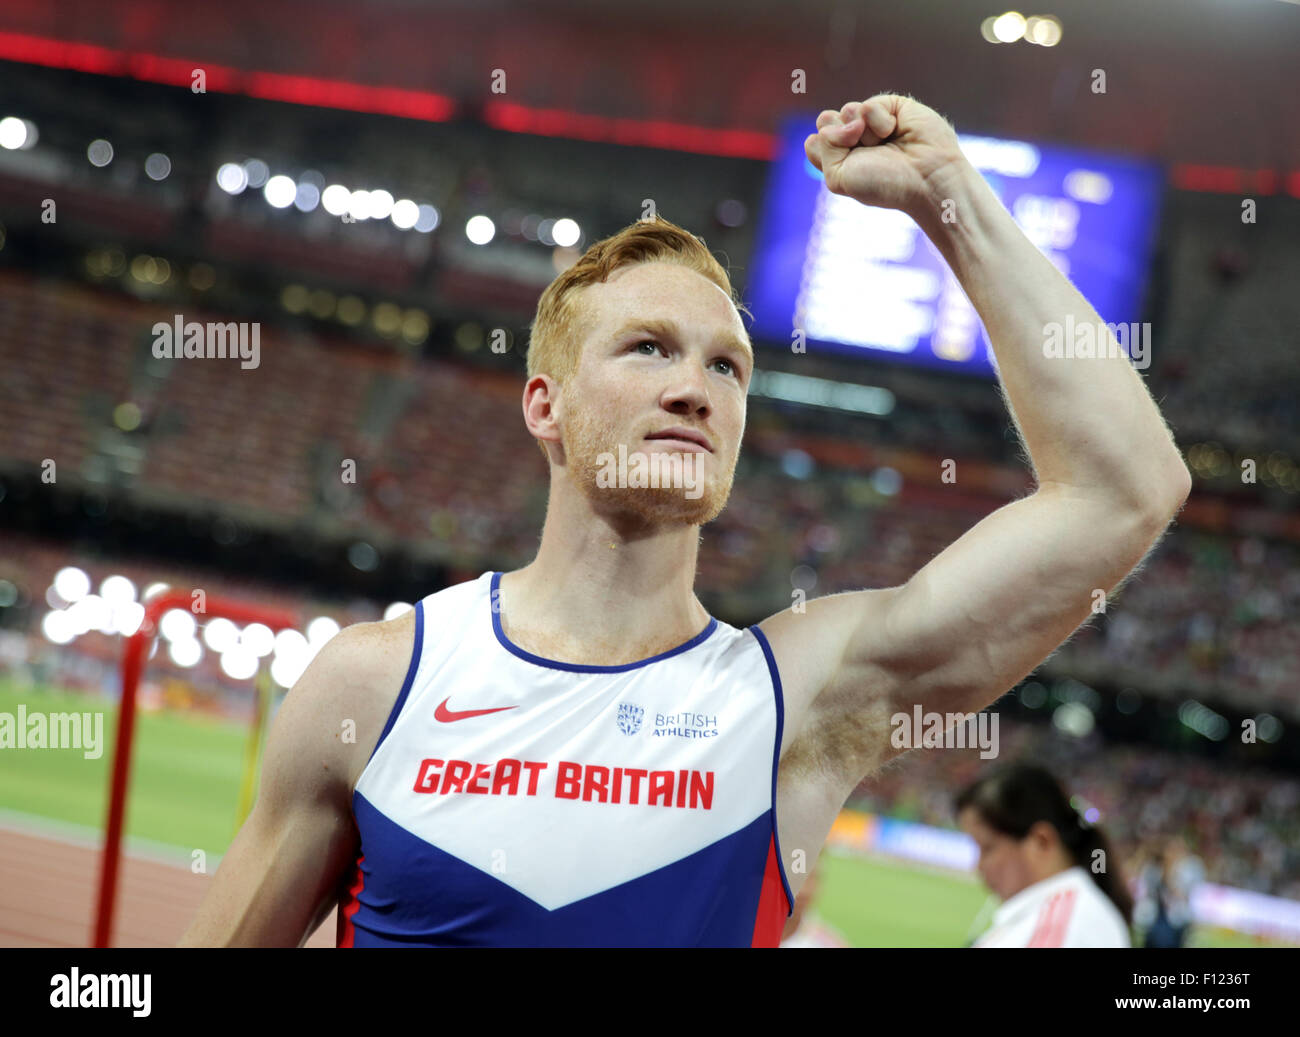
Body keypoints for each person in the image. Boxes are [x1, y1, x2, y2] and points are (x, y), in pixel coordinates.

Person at [179, 94, 1191, 947]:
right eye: (649, 349)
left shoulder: (802, 700)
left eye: (726, 365)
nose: (696, 388)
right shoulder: (373, 681)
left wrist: (953, 201)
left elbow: (1124, 489)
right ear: (546, 405)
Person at [955, 763, 1132, 947]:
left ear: (1041, 841)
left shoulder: (1062, 928)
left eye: (988, 847)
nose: (979, 865)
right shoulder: (1054, 918)